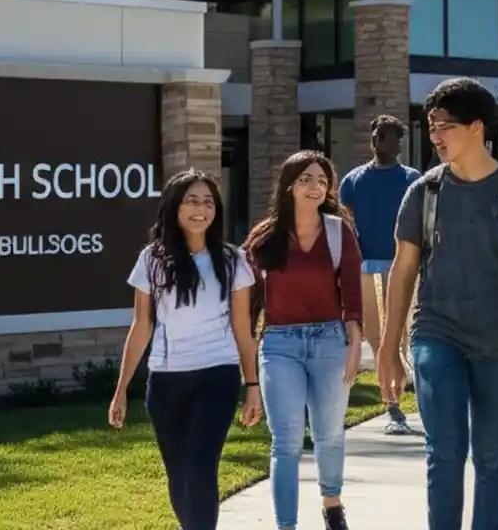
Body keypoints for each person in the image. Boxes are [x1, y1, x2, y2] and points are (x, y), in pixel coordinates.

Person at [378, 77, 498, 530]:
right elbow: (403, 270)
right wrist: (389, 347)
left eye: (443, 126)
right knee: (445, 450)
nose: (434, 136)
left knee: (493, 456)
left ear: (476, 127)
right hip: (437, 333)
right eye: (430, 127)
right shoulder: (424, 192)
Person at [108, 169, 263, 530]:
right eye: (191, 200)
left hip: (217, 376)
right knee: (178, 475)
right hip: (166, 380)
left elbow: (243, 328)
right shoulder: (151, 259)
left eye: (208, 202)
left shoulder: (232, 260)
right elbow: (141, 325)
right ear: (175, 207)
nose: (201, 209)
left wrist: (252, 386)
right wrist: (121, 390)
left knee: (199, 466)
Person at [243, 150, 364, 530]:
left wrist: (355, 343)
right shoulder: (265, 237)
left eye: (322, 181)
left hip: (330, 340)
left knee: (328, 433)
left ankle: (332, 504)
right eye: (307, 179)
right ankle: (287, 525)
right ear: (290, 185)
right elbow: (247, 301)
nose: (315, 187)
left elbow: (353, 292)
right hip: (280, 345)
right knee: (287, 441)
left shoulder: (337, 231)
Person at [338, 114, 421, 436]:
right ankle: (393, 407)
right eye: (378, 135)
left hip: (404, 267)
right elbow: (347, 225)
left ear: (399, 143)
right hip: (366, 268)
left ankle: (409, 401)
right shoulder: (353, 180)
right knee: (378, 340)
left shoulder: (412, 179)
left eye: (390, 137)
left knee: (402, 338)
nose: (382, 141)